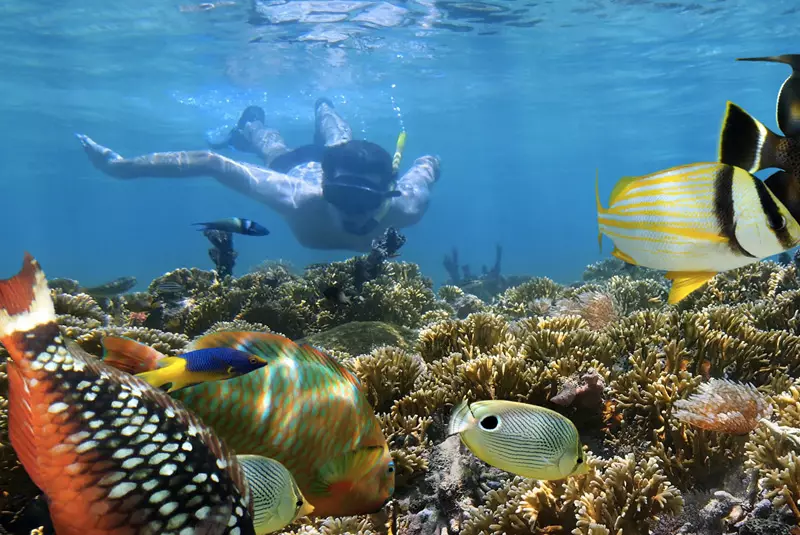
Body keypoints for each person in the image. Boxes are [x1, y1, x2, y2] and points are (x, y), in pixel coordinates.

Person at [76, 98, 441, 252]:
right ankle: (251, 125)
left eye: (367, 199)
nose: (355, 211)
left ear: (388, 193)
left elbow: (427, 164)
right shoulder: (298, 196)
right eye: (343, 196)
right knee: (276, 152)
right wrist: (122, 169)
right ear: (325, 189)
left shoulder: (406, 207)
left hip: (339, 166)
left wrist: (431, 164)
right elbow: (210, 161)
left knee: (340, 141)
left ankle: (324, 106)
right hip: (299, 169)